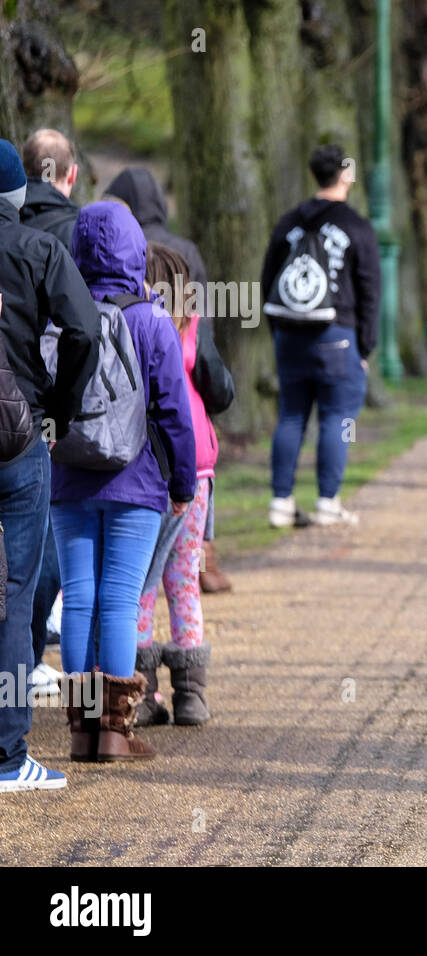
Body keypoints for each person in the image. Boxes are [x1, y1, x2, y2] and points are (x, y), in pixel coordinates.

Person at [51, 201, 196, 763]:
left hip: (70, 476)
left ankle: (81, 731)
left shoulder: (62, 312)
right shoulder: (152, 318)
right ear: (137, 249)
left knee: (80, 596)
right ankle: (114, 731)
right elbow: (174, 414)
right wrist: (181, 482)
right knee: (119, 597)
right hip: (135, 481)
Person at [0, 138, 98, 792]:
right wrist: (57, 407)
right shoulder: (37, 249)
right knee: (12, 595)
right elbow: (85, 330)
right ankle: (7, 757)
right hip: (16, 432)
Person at [104, 167, 235, 592]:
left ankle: (133, 639)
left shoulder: (121, 248)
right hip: (193, 430)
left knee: (135, 571)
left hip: (135, 427)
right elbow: (202, 325)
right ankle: (203, 561)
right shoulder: (186, 251)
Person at [135, 242, 230, 727]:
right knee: (184, 579)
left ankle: (143, 694)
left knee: (143, 582)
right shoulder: (189, 323)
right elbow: (222, 388)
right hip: (197, 468)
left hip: (149, 468)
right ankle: (192, 697)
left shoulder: (132, 321)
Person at [260, 144, 378, 528]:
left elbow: (268, 279)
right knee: (338, 418)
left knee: (291, 415)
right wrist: (366, 345)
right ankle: (328, 500)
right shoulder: (357, 226)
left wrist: (277, 330)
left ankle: (281, 502)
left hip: (290, 335)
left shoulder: (290, 222)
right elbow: (369, 289)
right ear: (344, 173)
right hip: (338, 336)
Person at [19, 129, 82, 703]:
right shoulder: (71, 236)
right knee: (37, 543)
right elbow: (84, 328)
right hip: (37, 412)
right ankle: (31, 657)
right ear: (72, 174)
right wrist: (65, 405)